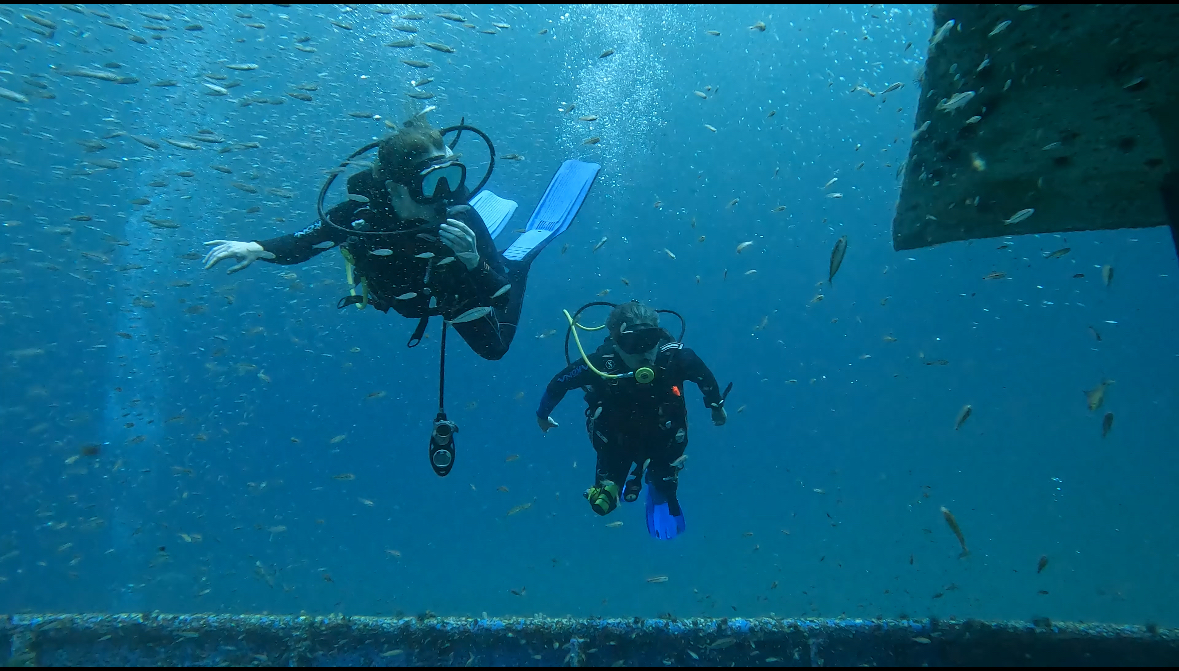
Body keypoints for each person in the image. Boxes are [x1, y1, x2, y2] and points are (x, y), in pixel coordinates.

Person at [202, 113, 596, 361]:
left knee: (495, 350)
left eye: (453, 178)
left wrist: (476, 260)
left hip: (457, 290)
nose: (445, 195)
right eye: (431, 183)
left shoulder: (459, 215)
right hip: (409, 296)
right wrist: (255, 248)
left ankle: (517, 259)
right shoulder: (357, 218)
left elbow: (501, 297)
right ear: (394, 188)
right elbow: (305, 243)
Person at [535, 300, 729, 539]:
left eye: (651, 341)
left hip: (665, 437)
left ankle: (659, 486)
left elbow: (705, 379)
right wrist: (542, 415)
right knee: (604, 503)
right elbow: (558, 384)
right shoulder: (599, 364)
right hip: (616, 442)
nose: (645, 353)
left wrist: (715, 406)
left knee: (665, 483)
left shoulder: (677, 358)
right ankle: (619, 487)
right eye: (633, 344)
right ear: (616, 341)